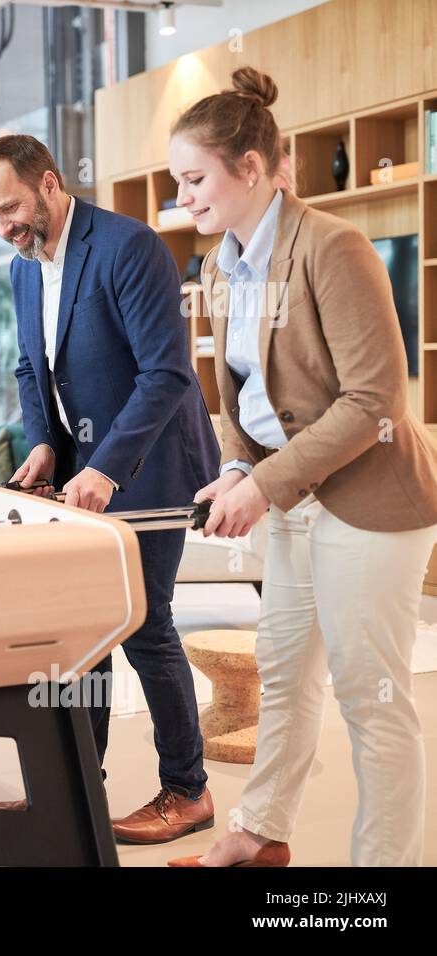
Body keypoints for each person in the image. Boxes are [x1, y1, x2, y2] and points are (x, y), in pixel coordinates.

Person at [167, 68, 437, 867]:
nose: (185, 197)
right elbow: (244, 398)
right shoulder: (219, 266)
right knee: (284, 673)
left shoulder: (334, 246)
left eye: (195, 178)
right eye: (179, 180)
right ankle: (259, 834)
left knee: (371, 699)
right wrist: (233, 468)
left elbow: (375, 400)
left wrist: (266, 483)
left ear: (251, 168)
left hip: (373, 502)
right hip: (294, 497)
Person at [0, 135, 220, 844]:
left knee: (143, 623)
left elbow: (166, 375)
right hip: (80, 470)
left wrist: (105, 467)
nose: (3, 228)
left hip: (149, 466)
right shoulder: (23, 268)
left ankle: (187, 791)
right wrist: (44, 441)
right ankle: (75, 784)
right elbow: (28, 366)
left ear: (49, 184)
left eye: (10, 208)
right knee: (81, 634)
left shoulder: (128, 246)